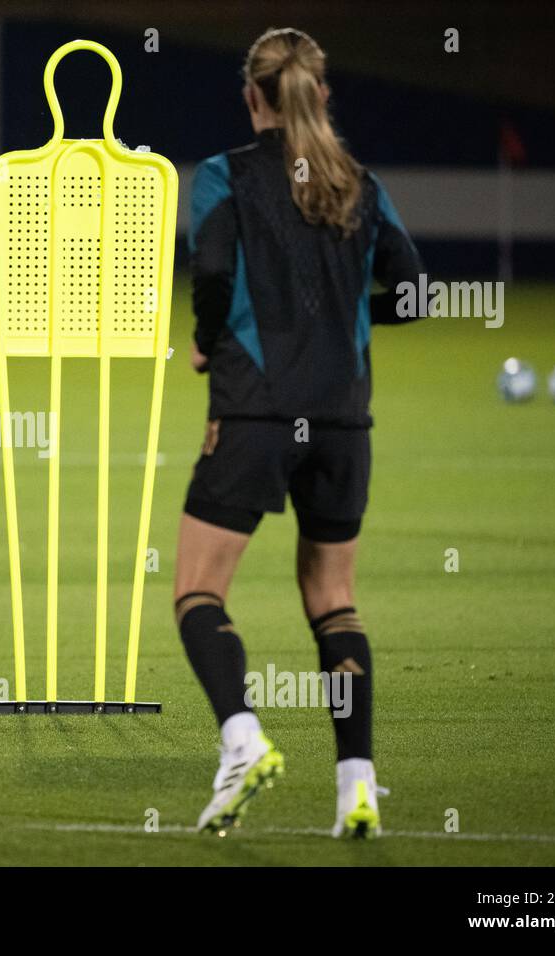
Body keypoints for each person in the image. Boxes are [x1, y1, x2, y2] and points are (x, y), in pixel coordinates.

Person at [177, 28, 423, 838]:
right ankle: (358, 784)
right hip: (345, 420)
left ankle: (244, 741)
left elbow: (211, 272)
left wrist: (209, 339)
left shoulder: (224, 175)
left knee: (200, 591)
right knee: (334, 601)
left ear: (254, 98)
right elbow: (416, 294)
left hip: (254, 411)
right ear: (321, 96)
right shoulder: (360, 182)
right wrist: (355, 320)